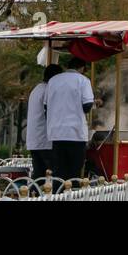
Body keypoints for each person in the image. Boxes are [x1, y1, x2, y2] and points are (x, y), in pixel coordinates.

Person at [45, 57, 94, 187]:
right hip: (75, 134)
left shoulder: (53, 81)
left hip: (56, 134)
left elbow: (46, 106)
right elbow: (87, 105)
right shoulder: (83, 81)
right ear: (82, 68)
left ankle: (57, 196)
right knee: (74, 174)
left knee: (58, 173)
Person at [26, 64, 60, 182]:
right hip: (45, 140)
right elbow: (50, 113)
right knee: (51, 174)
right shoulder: (48, 90)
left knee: (38, 174)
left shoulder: (36, 89)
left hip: (34, 140)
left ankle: (34, 195)